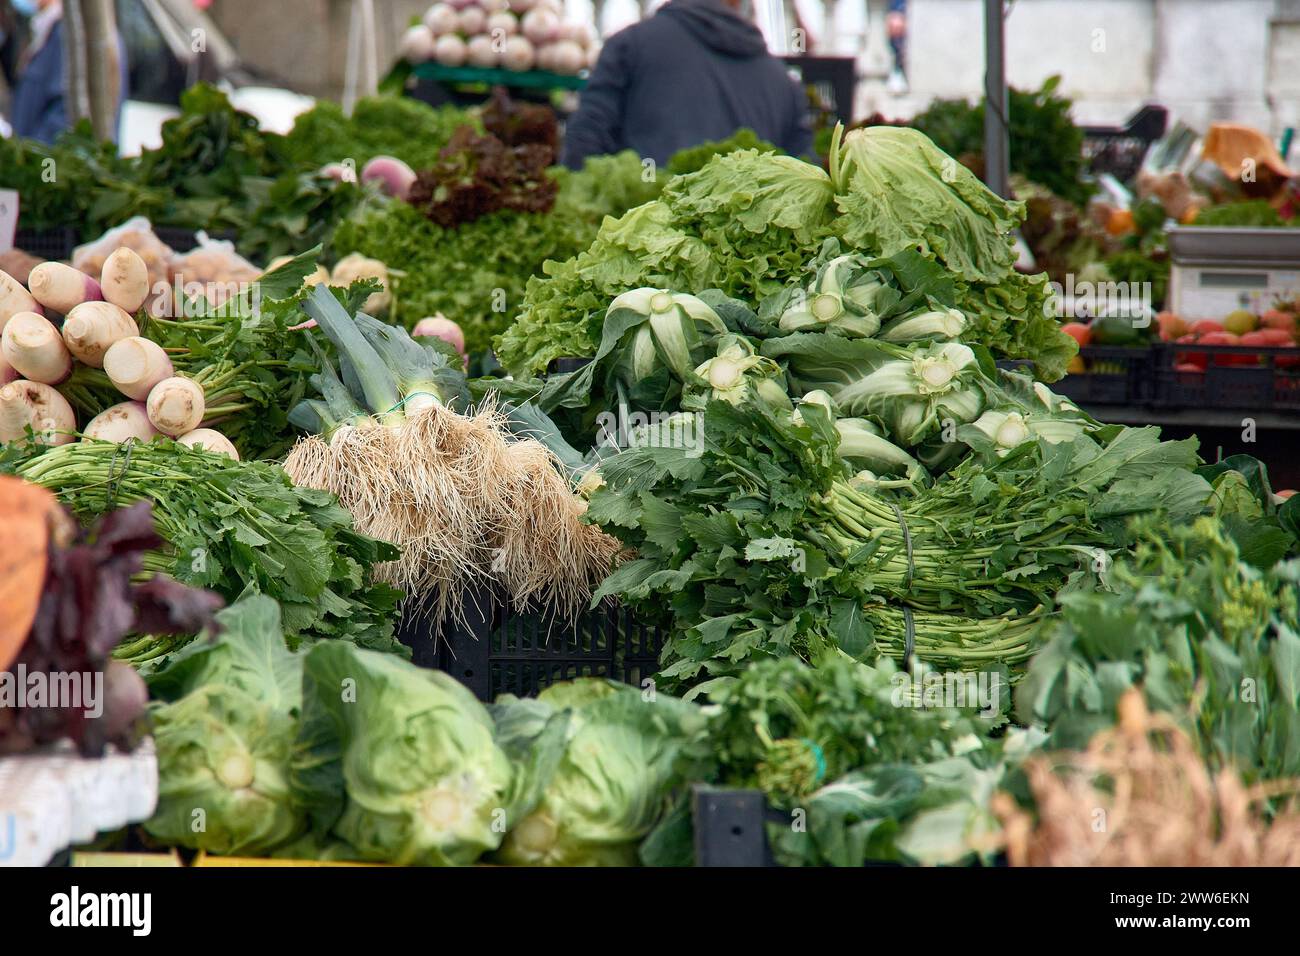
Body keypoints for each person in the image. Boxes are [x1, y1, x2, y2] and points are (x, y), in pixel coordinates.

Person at [561, 0, 812, 170]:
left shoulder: (631, 45)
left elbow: (584, 146)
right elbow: (805, 175)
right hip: (750, 246)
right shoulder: (783, 81)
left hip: (646, 242)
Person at [8, 0, 127, 144]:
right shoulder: (52, 31)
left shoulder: (73, 36)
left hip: (52, 163)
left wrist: (30, 159)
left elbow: (65, 119)